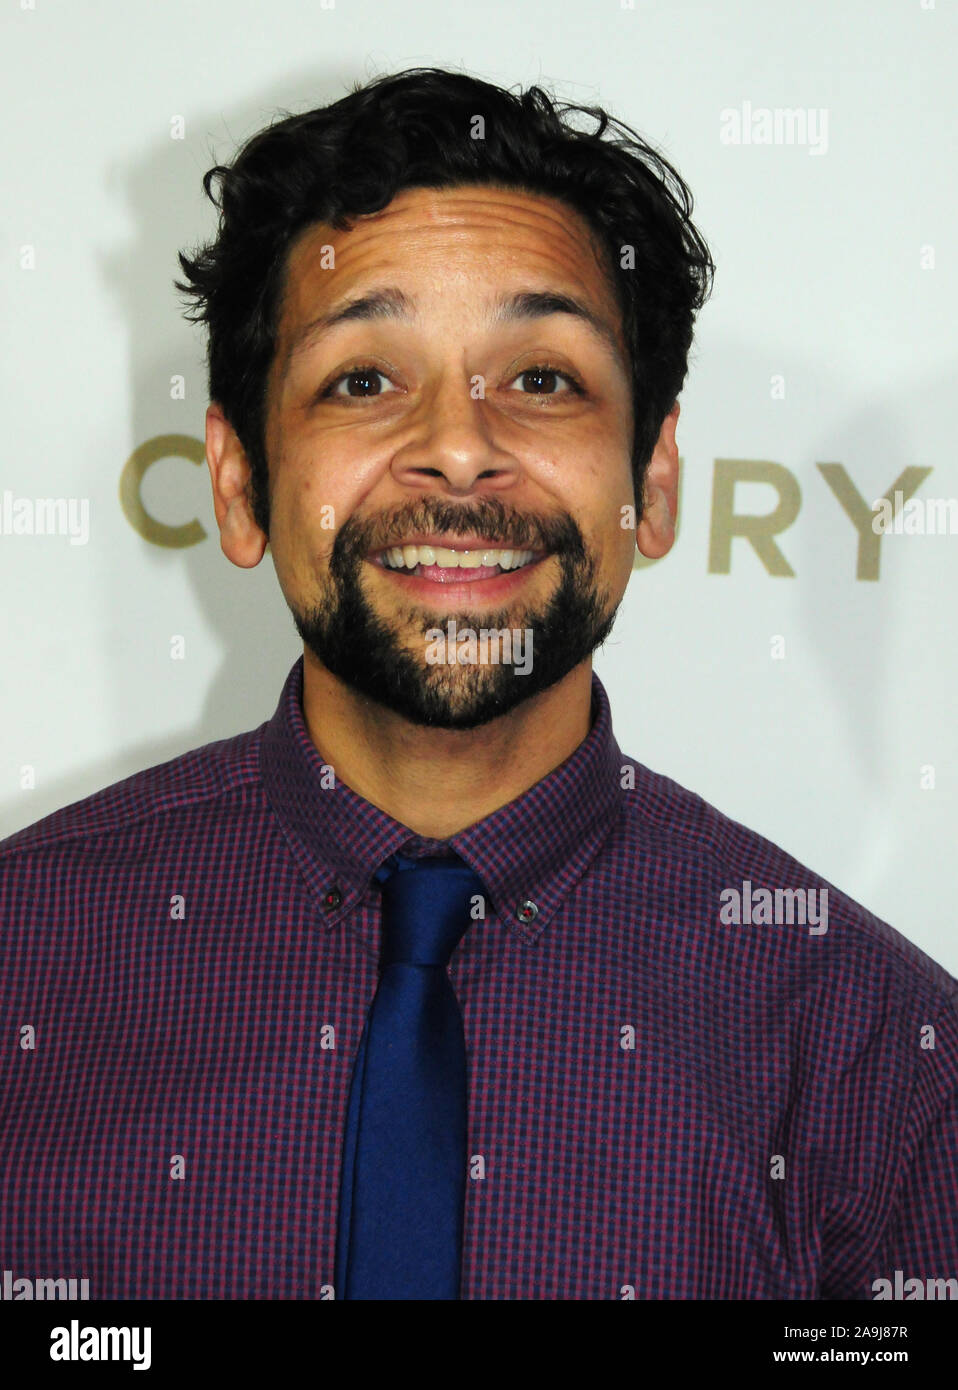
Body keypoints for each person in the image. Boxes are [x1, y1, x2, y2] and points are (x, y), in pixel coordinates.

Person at [1, 67, 955, 1302]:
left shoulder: (880, 1057)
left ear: (652, 484)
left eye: (542, 378)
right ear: (237, 487)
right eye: (363, 379)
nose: (458, 445)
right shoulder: (24, 963)